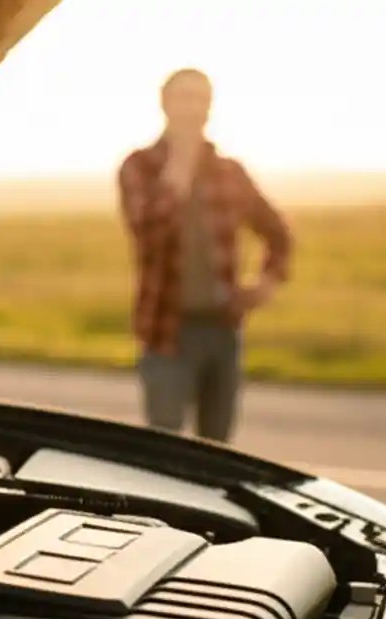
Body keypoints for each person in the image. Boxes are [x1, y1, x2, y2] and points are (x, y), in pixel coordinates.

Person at [117, 68, 293, 442]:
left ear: (211, 106)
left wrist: (267, 281)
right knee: (164, 448)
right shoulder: (140, 167)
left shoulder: (228, 172)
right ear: (164, 104)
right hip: (167, 330)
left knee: (218, 451)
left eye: (201, 98)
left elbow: (278, 232)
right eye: (183, 97)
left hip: (223, 329)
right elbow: (146, 230)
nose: (192, 108)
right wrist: (177, 171)